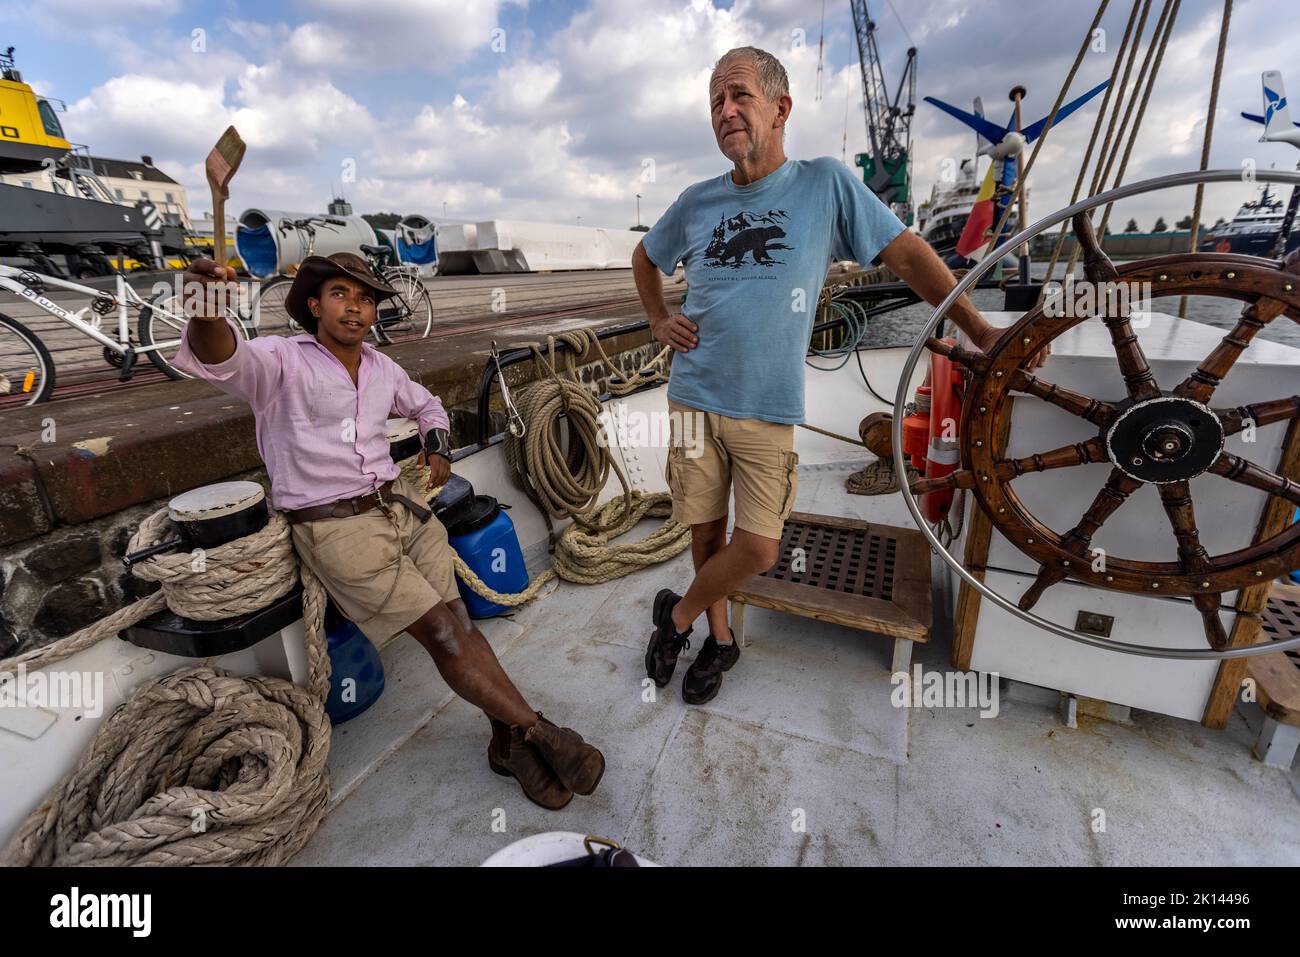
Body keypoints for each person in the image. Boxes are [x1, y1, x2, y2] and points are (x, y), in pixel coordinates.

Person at [634, 46, 1040, 704]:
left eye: (738, 95)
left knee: (760, 545)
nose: (725, 110)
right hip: (691, 396)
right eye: (715, 101)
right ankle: (720, 636)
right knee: (704, 528)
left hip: (765, 406)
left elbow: (907, 252)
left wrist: (982, 330)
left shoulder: (823, 185)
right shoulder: (694, 200)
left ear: (780, 107)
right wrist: (658, 319)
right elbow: (644, 257)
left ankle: (676, 617)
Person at [174, 251, 604, 810]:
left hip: (401, 510)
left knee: (459, 625)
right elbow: (220, 358)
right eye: (341, 295)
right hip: (338, 530)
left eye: (367, 298)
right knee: (447, 638)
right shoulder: (280, 361)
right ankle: (542, 733)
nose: (356, 307)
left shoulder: (381, 367)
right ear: (313, 304)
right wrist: (206, 302)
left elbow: (428, 406)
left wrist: (437, 444)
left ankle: (507, 742)